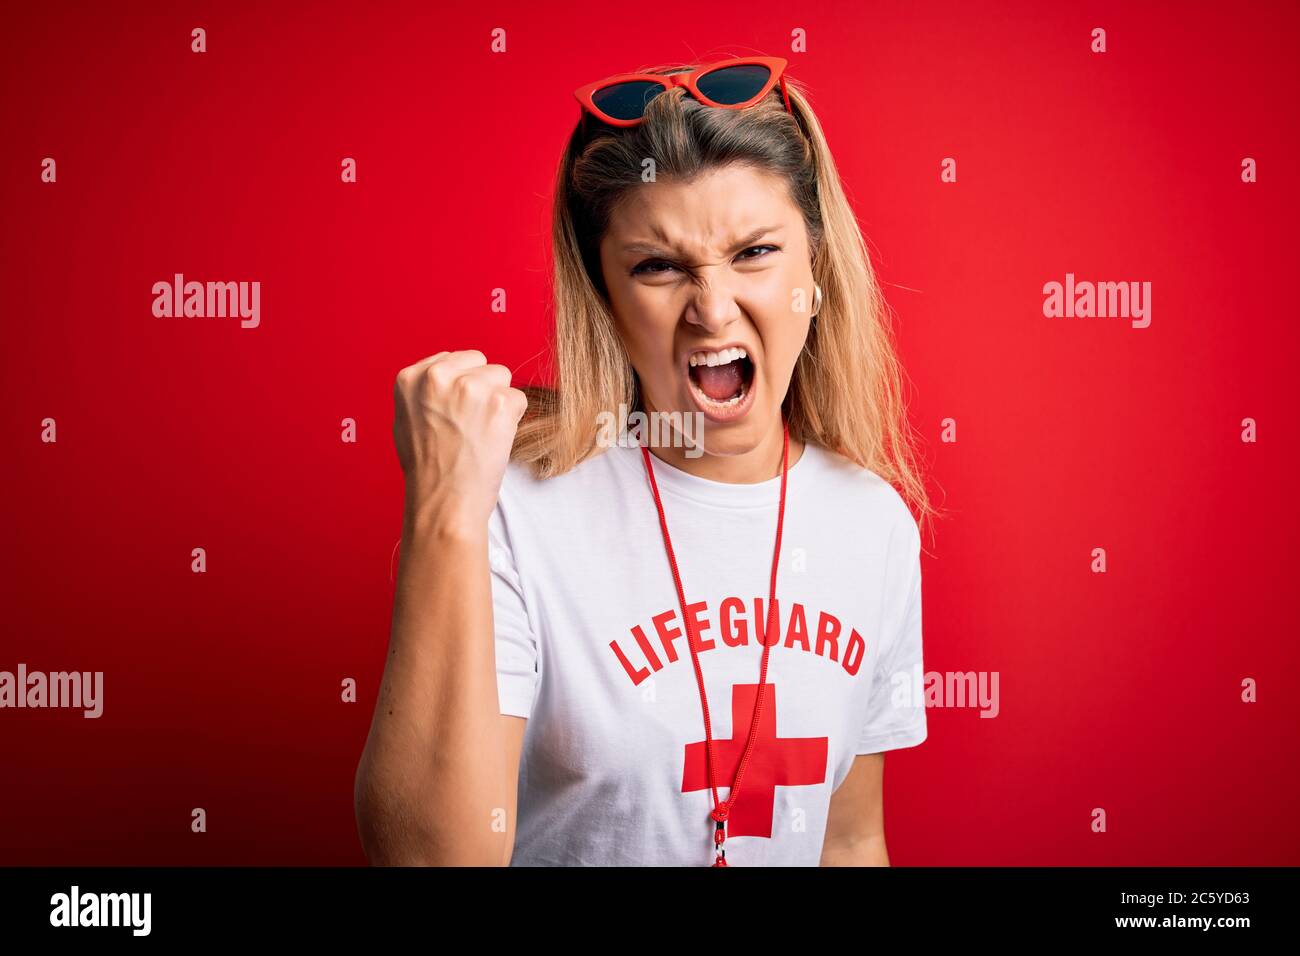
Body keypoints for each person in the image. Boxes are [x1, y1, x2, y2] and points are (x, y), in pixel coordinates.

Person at [355, 55, 936, 867]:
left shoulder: (872, 523)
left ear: (818, 271)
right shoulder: (513, 509)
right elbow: (428, 860)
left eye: (755, 253)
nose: (712, 307)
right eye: (657, 267)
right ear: (604, 296)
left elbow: (848, 838)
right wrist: (445, 511)